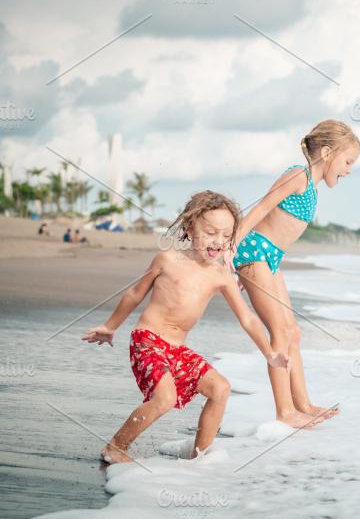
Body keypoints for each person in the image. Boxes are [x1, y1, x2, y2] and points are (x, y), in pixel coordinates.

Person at [82, 191, 291, 464]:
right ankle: (116, 447)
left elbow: (247, 318)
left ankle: (199, 457)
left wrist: (269, 353)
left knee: (220, 389)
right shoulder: (167, 260)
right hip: (148, 340)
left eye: (226, 235)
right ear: (191, 228)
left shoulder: (221, 275)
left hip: (177, 350)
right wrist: (110, 326)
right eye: (211, 233)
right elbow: (135, 293)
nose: (218, 241)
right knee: (165, 398)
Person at [227, 119, 360, 428]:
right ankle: (284, 412)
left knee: (293, 332)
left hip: (270, 258)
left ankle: (303, 404)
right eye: (348, 161)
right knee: (280, 331)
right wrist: (232, 250)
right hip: (254, 251)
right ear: (327, 152)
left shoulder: (311, 186)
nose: (349, 170)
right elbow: (261, 209)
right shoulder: (298, 176)